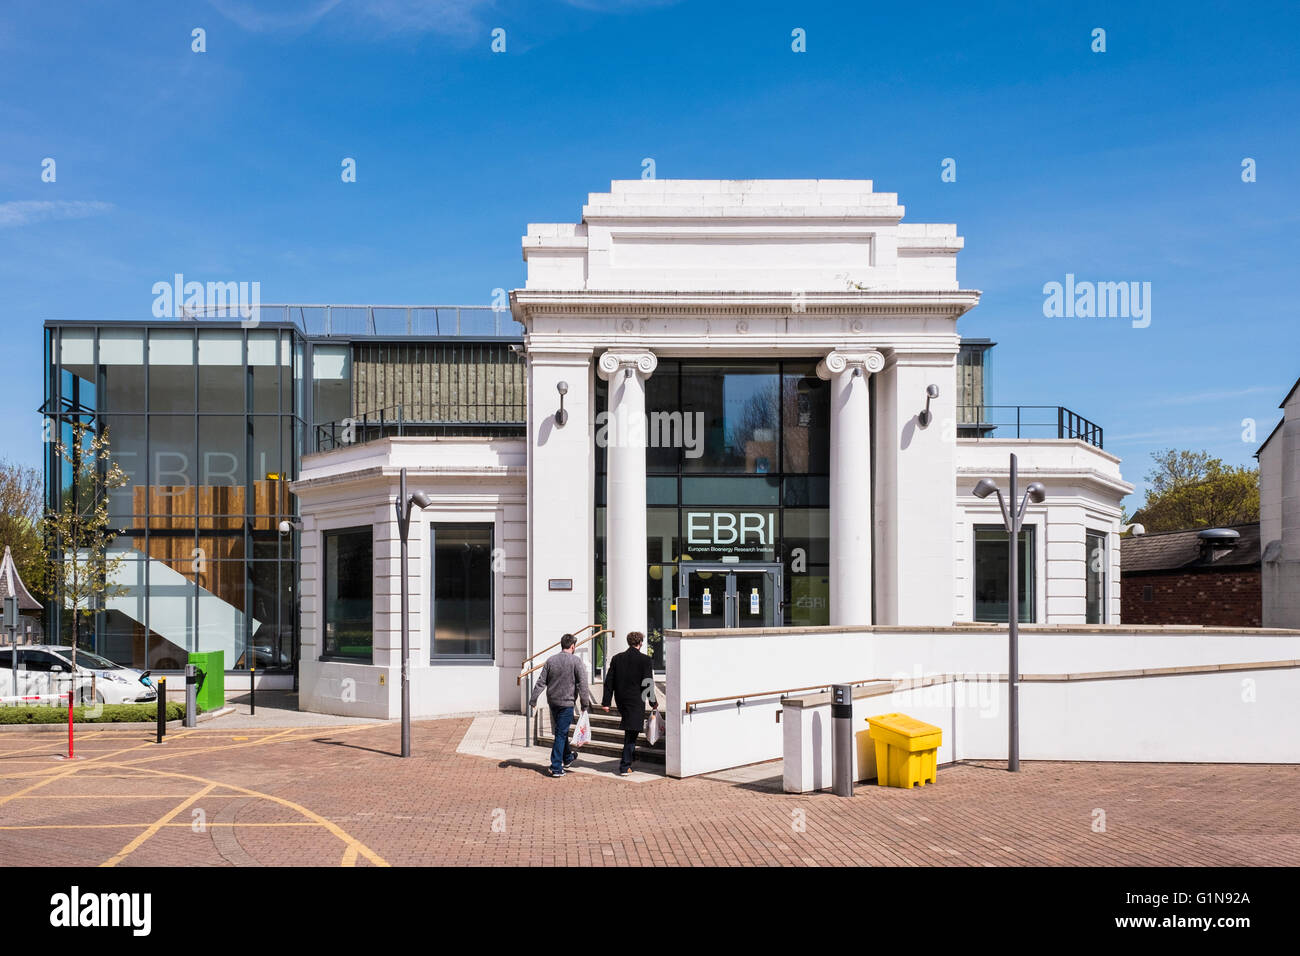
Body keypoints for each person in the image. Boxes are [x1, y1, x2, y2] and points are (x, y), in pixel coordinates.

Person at [528, 633, 594, 777]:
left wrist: (533, 700)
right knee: (561, 733)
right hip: (566, 703)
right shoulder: (576, 661)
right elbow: (582, 684)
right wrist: (584, 703)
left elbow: (541, 682)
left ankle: (568, 757)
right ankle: (556, 766)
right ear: (572, 646)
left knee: (560, 731)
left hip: (553, 702)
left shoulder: (551, 660)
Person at [601, 631, 659, 775]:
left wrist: (606, 702)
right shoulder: (645, 660)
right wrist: (653, 702)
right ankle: (625, 765)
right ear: (640, 643)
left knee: (630, 731)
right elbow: (647, 683)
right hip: (636, 701)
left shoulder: (617, 658)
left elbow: (609, 682)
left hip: (621, 700)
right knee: (631, 733)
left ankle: (629, 760)